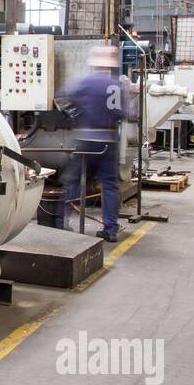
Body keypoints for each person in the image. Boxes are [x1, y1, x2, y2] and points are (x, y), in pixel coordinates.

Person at [57, 45, 127, 242]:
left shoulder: (87, 82)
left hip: (87, 140)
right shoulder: (117, 85)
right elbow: (124, 114)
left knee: (74, 181)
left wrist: (79, 113)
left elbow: (65, 97)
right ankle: (110, 229)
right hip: (109, 141)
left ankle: (61, 221)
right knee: (110, 185)